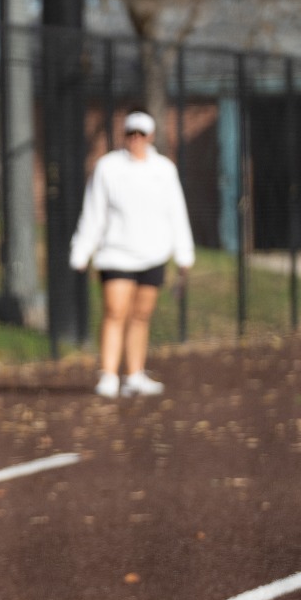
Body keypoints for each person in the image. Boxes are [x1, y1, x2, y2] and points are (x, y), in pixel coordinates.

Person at [70, 110, 195, 397]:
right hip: (115, 255)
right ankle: (109, 375)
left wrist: (184, 254)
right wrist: (82, 250)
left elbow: (176, 212)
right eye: (131, 133)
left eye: (141, 134)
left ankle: (135, 374)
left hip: (153, 255)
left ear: (151, 136)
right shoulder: (108, 167)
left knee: (141, 316)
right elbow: (94, 211)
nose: (135, 139)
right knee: (115, 312)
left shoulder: (164, 170)